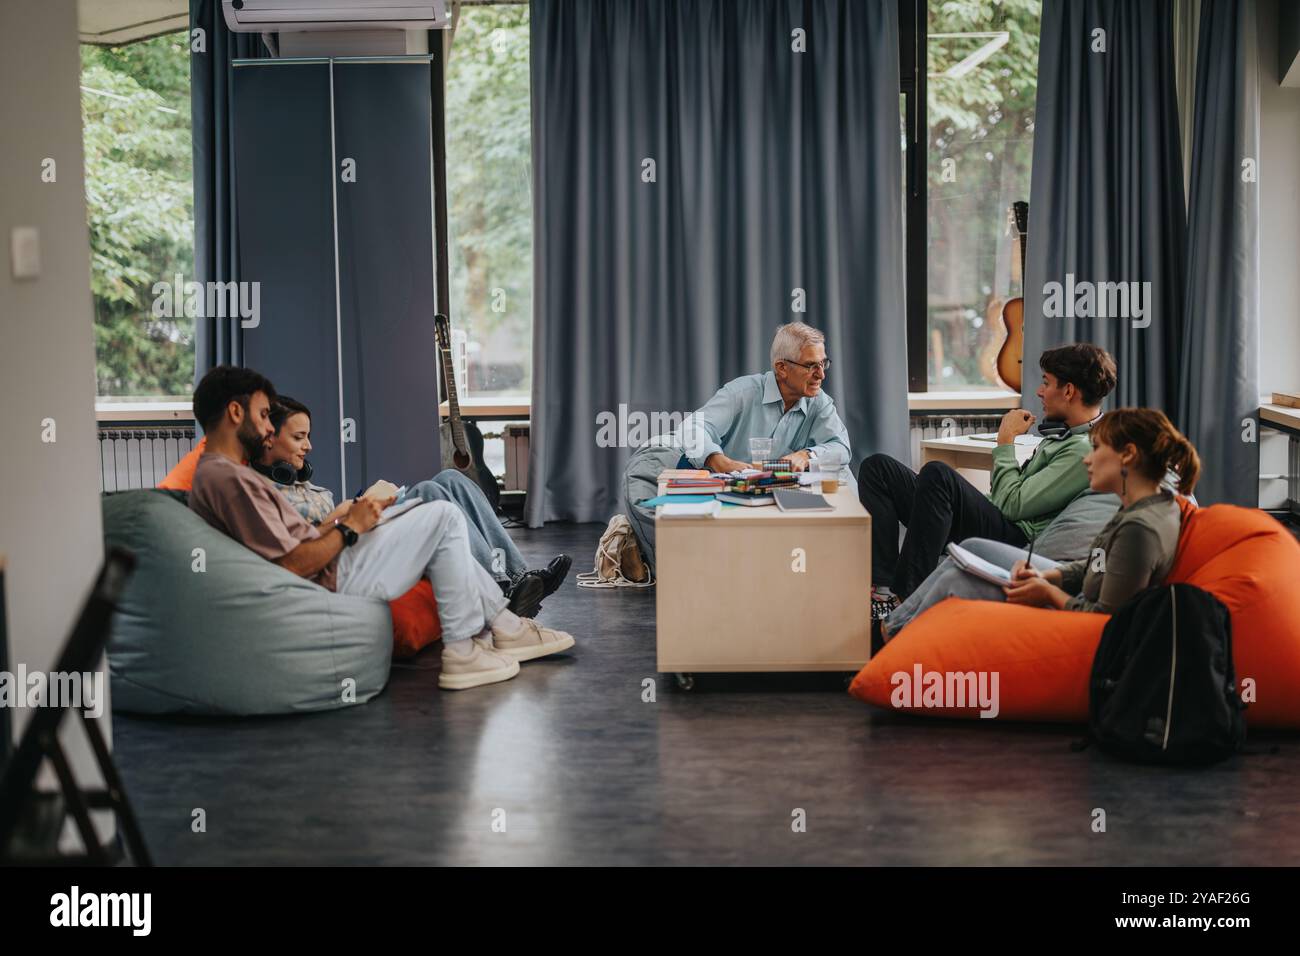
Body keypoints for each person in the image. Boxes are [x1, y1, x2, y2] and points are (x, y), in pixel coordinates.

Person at [187, 365, 576, 691]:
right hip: (330, 574)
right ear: (235, 413)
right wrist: (349, 527)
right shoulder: (227, 480)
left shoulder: (227, 474)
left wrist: (357, 520)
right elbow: (291, 565)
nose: (268, 429)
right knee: (441, 516)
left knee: (433, 504)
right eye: (261, 416)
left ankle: (504, 625)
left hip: (334, 559)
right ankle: (464, 650)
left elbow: (291, 545)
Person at [882, 409, 1198, 637]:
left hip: (1073, 617)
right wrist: (1049, 574)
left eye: (1098, 450)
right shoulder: (1133, 507)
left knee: (960, 580)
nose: (1087, 459)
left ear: (1128, 456)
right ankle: (892, 623)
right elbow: (1095, 566)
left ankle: (888, 636)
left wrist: (1047, 592)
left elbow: (1104, 619)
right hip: (1068, 590)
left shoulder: (1139, 530)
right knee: (969, 550)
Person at [857, 342, 1118, 620]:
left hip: (1014, 534)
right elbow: (1007, 493)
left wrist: (1005, 441)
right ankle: (883, 590)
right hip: (999, 516)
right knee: (878, 468)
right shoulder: (1061, 434)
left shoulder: (1081, 448)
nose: (1039, 391)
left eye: (1046, 383)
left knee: (938, 475)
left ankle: (904, 599)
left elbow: (1013, 506)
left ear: (1068, 391)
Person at [257, 395, 570, 618]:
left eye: (308, 437)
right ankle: (503, 592)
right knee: (429, 492)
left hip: (359, 533)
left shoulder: (312, 489)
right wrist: (340, 517)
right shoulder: (264, 493)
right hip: (346, 553)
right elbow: (295, 552)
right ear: (269, 439)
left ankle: (518, 580)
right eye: (299, 437)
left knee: (451, 477)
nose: (309, 446)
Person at [616, 322, 852, 577]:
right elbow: (693, 426)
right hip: (683, 457)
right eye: (811, 366)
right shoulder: (743, 391)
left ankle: (654, 556)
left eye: (823, 364)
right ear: (782, 368)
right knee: (642, 484)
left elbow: (841, 447)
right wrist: (718, 460)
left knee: (841, 471)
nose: (821, 375)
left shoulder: (820, 402)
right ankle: (657, 562)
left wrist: (807, 454)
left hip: (744, 486)